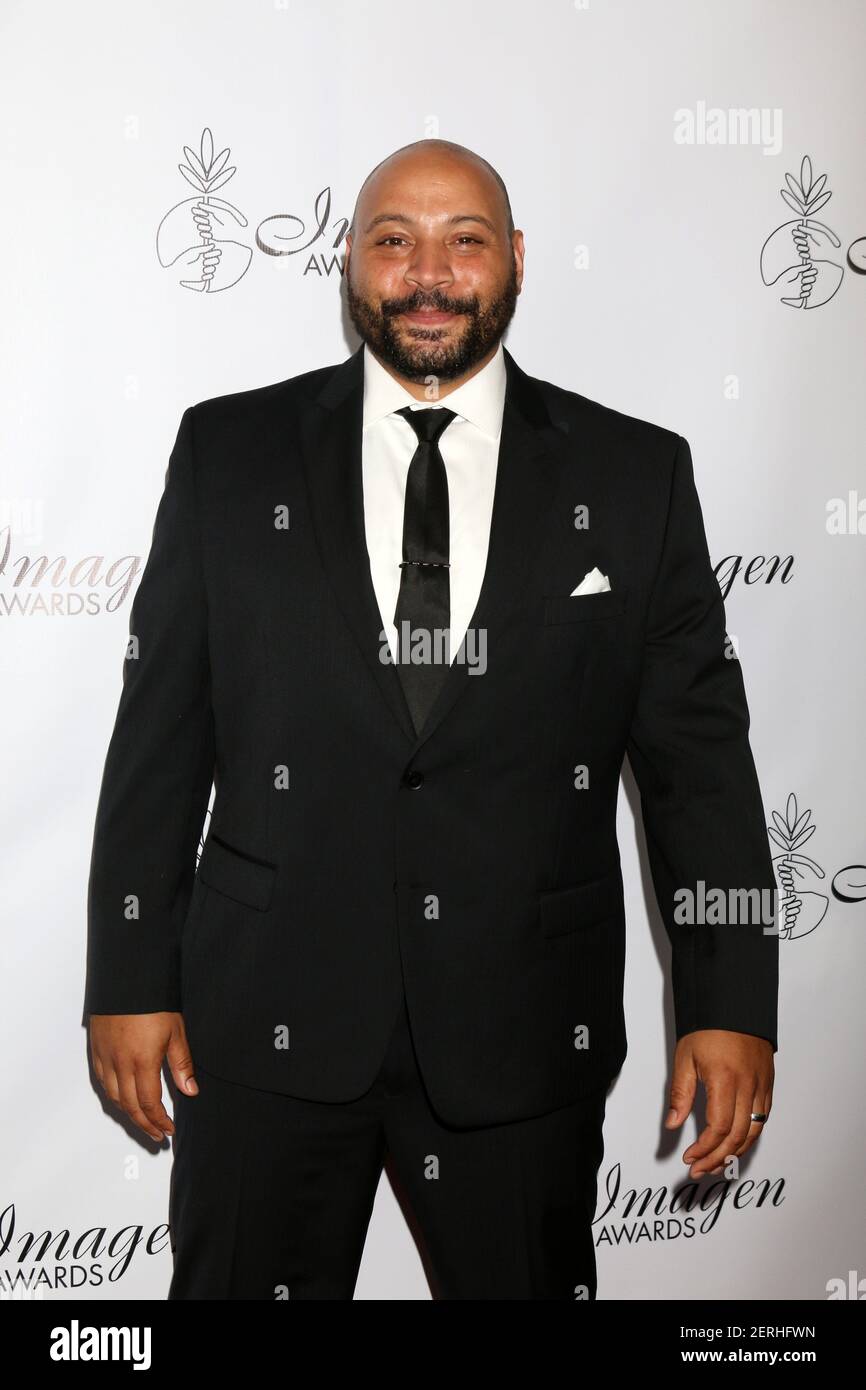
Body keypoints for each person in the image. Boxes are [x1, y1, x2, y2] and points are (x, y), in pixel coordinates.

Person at [84, 138, 778, 1300]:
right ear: (348, 262)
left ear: (511, 260)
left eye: (462, 241)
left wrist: (728, 1004)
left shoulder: (634, 474)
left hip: (520, 1022)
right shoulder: (226, 449)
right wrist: (128, 974)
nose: (427, 272)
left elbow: (697, 764)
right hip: (262, 1021)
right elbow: (159, 736)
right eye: (392, 239)